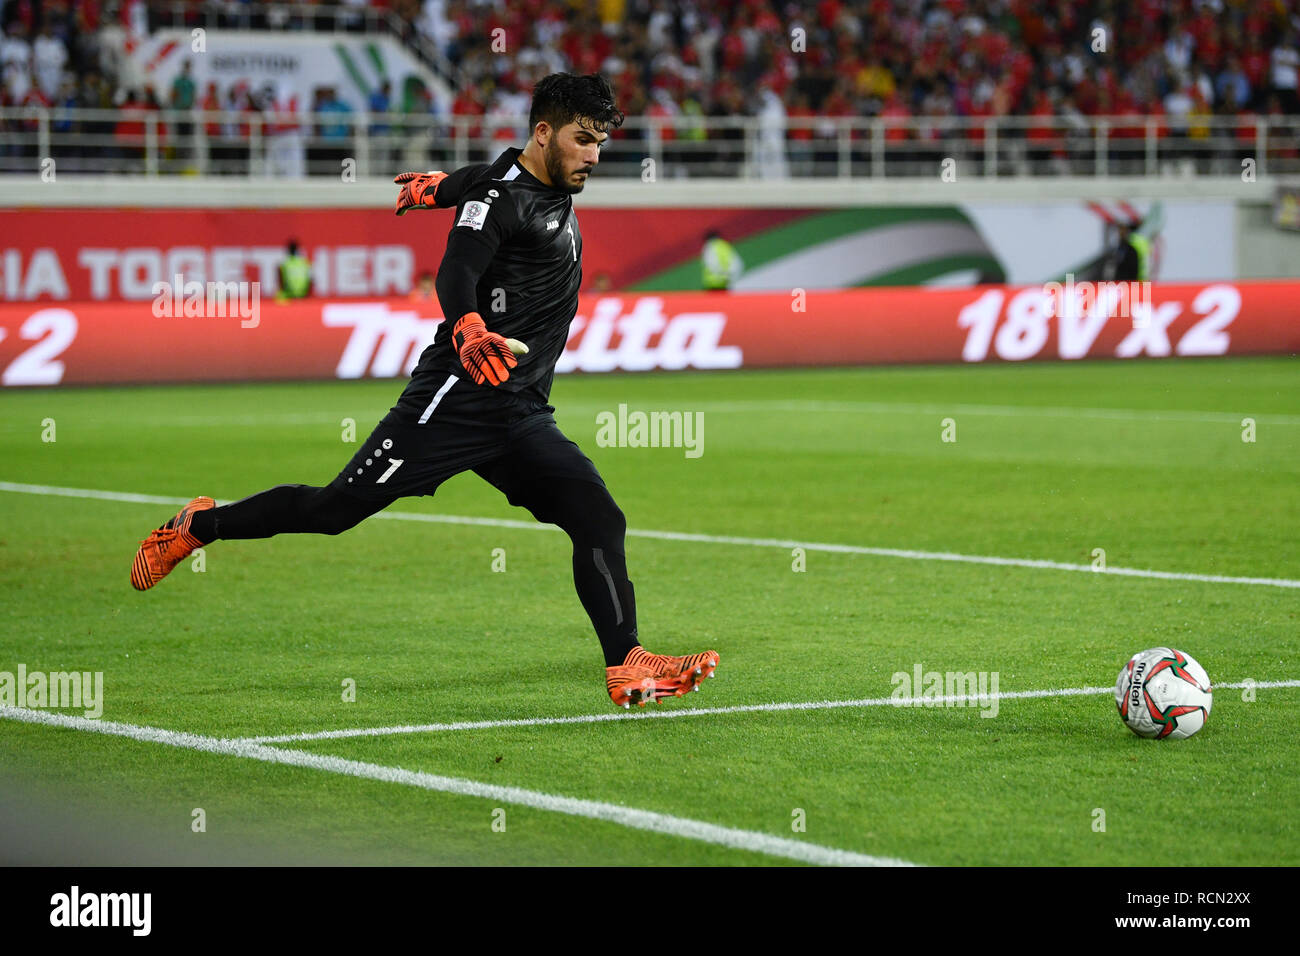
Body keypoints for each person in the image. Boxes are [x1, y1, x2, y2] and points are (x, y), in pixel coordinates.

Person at [130, 73, 719, 710]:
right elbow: (458, 267)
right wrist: (467, 324)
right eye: (583, 140)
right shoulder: (501, 200)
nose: (594, 157)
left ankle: (628, 664)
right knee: (333, 513)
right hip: (455, 399)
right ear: (544, 132)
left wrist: (437, 186)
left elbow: (480, 177)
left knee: (599, 518)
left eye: (600, 143)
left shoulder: (519, 179)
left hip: (518, 412)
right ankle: (198, 526)